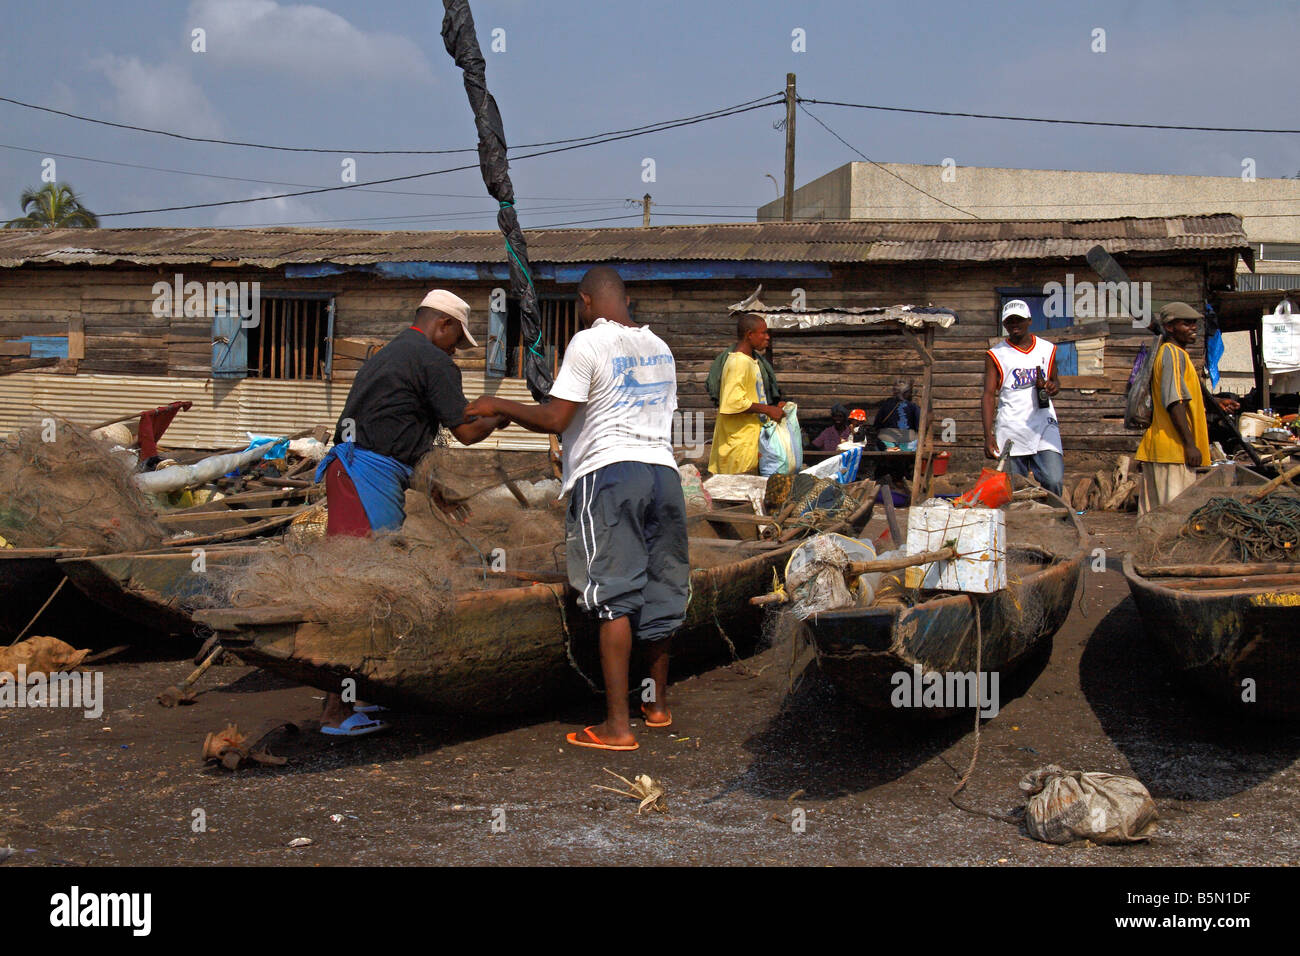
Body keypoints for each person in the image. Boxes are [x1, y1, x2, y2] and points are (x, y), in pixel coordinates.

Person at [464, 266, 687, 752]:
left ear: (586, 302)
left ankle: (617, 727)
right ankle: (656, 706)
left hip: (609, 476)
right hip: (663, 476)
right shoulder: (660, 348)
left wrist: (496, 405)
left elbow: (555, 416)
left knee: (613, 594)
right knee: (660, 587)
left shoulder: (588, 343)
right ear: (625, 300)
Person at [314, 289, 505, 735]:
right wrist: (504, 414)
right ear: (444, 324)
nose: (456, 349)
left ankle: (353, 698)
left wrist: (432, 488)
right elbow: (466, 432)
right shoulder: (434, 362)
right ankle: (335, 713)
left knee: (360, 583)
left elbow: (395, 435)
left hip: (353, 470)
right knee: (363, 590)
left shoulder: (390, 354)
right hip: (365, 475)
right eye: (457, 339)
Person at [1135, 302, 1211, 515]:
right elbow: (1174, 402)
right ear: (1169, 327)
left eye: (1194, 324)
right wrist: (1190, 445)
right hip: (1173, 451)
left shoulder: (1168, 353)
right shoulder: (1173, 354)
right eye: (1186, 324)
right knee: (1175, 519)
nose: (1193, 328)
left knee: (1153, 519)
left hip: (1161, 449)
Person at [982, 299, 1064, 495]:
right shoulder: (996, 354)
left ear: (1029, 320)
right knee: (1014, 490)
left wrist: (1053, 387)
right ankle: (1021, 524)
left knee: (1053, 480)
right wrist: (987, 435)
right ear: (1004, 325)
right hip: (1011, 427)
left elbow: (1056, 381)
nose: (1014, 325)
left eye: (1018, 320)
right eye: (1010, 322)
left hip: (1043, 425)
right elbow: (988, 395)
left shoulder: (1046, 349)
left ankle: (1051, 522)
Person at [707, 314, 788, 474]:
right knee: (737, 492)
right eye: (763, 333)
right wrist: (767, 409)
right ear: (749, 334)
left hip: (748, 439)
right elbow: (733, 401)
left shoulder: (751, 361)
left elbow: (751, 396)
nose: (767, 337)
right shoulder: (738, 362)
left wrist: (772, 407)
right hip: (737, 443)